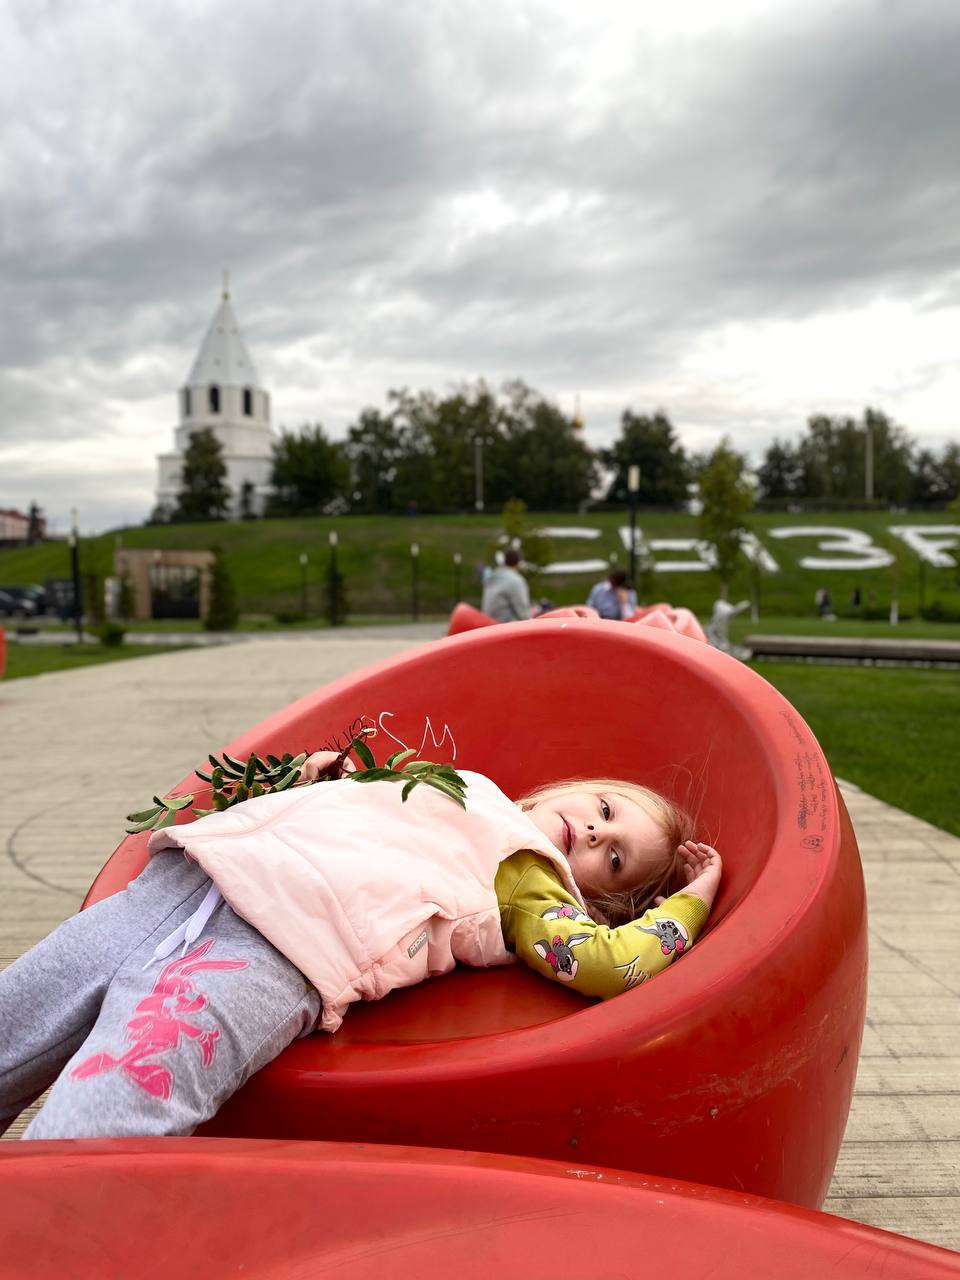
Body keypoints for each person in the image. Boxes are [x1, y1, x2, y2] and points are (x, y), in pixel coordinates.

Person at [0, 750, 721, 1140]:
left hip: (275, 949)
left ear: (594, 897)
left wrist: (694, 896)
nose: (596, 834)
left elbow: (602, 964)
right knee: (15, 1016)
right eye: (605, 810)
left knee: (110, 1112)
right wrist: (329, 785)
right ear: (580, 784)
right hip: (189, 879)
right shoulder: (463, 787)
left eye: (616, 860)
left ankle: (42, 1245)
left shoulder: (531, 877)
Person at [481, 547, 530, 622]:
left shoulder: (493, 577)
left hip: (487, 626)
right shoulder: (515, 581)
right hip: (504, 629)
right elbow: (524, 615)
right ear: (518, 563)